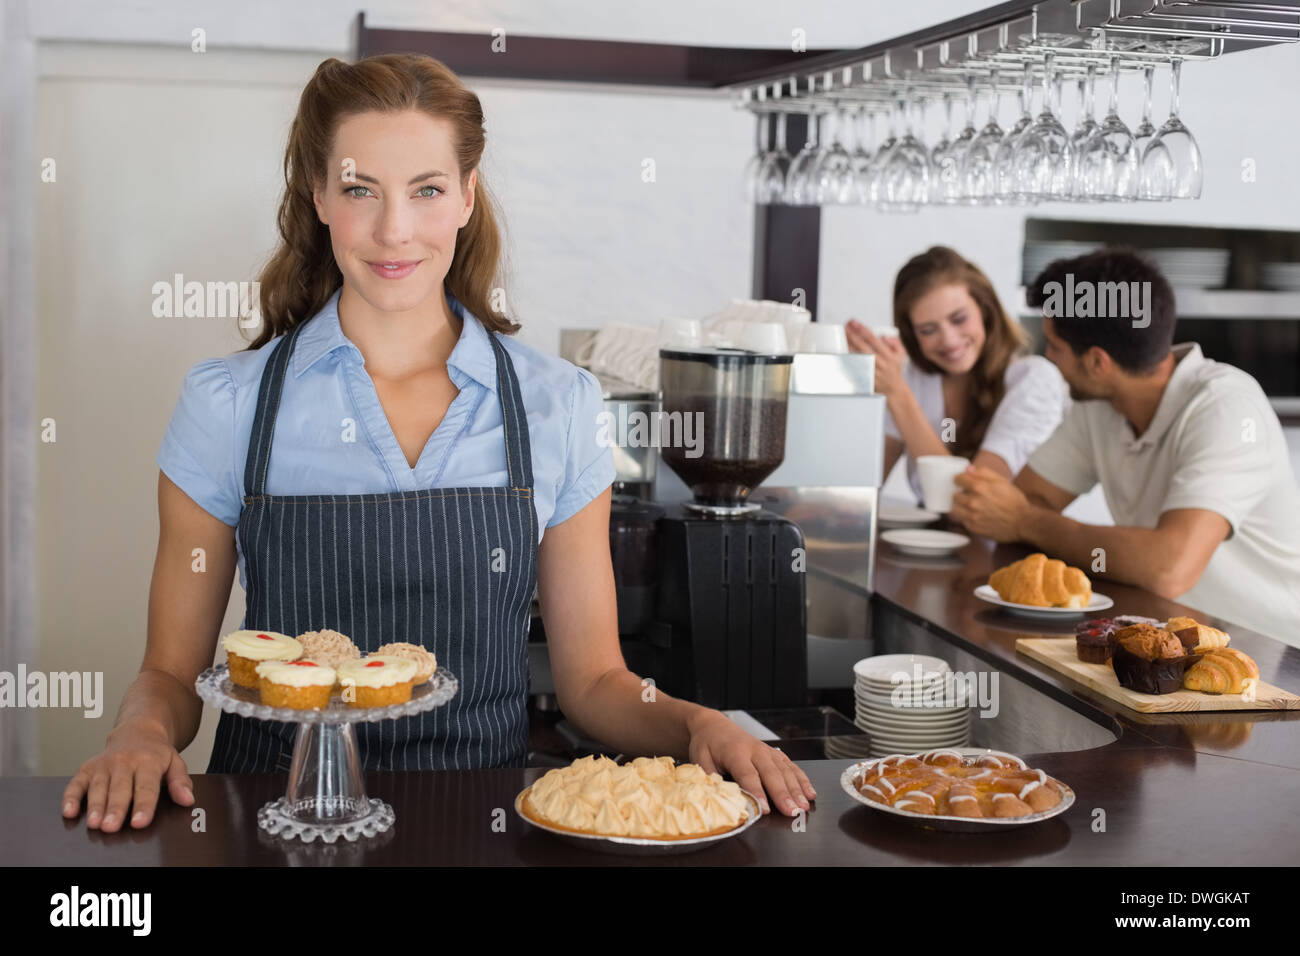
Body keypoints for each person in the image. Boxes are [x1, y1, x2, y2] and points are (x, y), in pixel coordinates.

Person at [62, 53, 815, 832]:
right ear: (319, 196)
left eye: (426, 190)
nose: (396, 230)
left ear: (465, 196)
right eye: (361, 190)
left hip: (476, 827)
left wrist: (699, 724)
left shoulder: (555, 406)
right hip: (274, 825)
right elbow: (170, 673)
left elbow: (593, 682)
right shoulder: (229, 405)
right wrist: (138, 735)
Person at [951, 247, 1300, 647]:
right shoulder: (1100, 405)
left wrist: (1025, 520)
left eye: (1055, 346)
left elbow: (1169, 568)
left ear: (1098, 363)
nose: (1048, 357)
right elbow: (1026, 498)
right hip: (1168, 638)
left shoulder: (1227, 409)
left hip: (1272, 660)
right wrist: (1021, 515)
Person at [845, 246, 1067, 501]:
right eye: (928, 330)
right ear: (912, 336)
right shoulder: (913, 379)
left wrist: (897, 394)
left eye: (959, 319)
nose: (949, 341)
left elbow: (971, 500)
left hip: (1003, 542)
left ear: (984, 309)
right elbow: (863, 489)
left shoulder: (1034, 380)